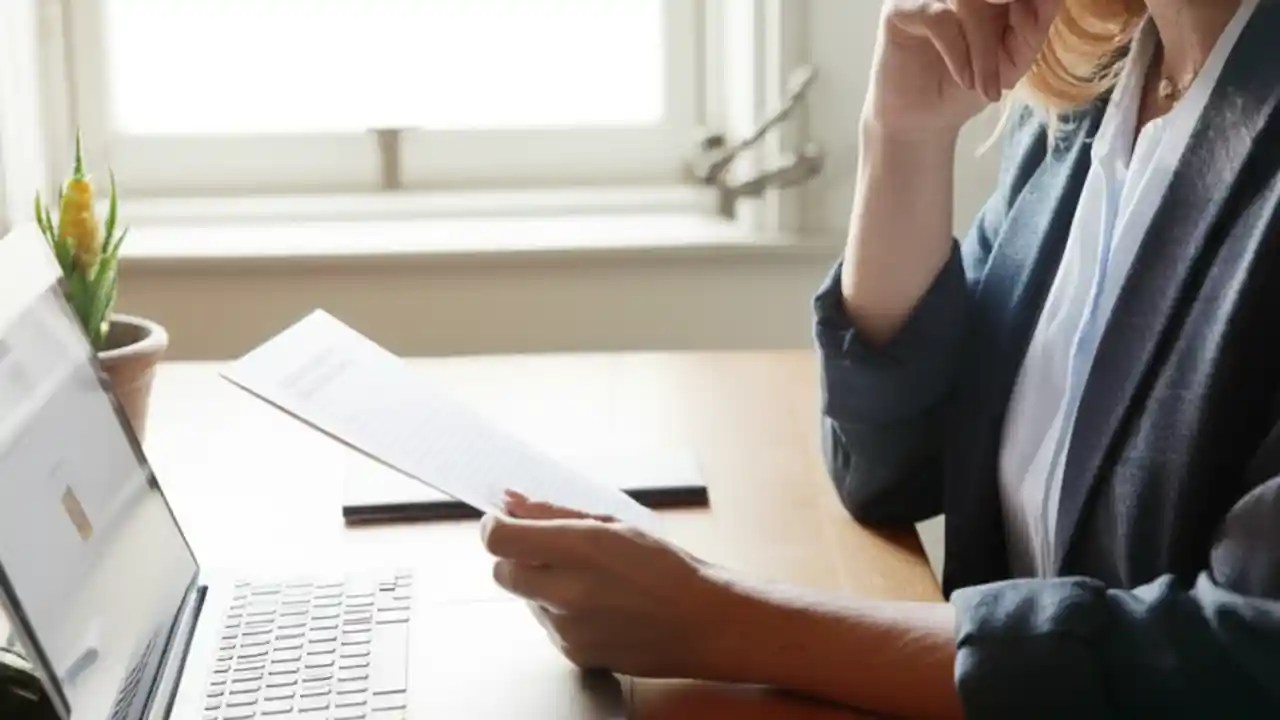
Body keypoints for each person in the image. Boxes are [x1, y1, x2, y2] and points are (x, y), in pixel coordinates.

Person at [480, 0, 1280, 716]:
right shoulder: (1100, 88)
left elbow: (1241, 656)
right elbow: (887, 463)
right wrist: (902, 136)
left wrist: (723, 622)